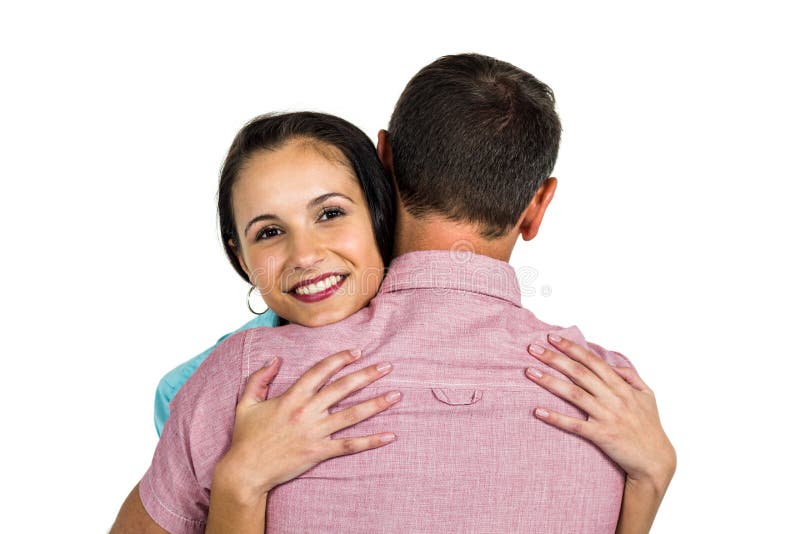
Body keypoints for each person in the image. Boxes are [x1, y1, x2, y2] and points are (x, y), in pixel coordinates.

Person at [112, 53, 675, 533]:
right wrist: (649, 480)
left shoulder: (244, 381)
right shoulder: (615, 398)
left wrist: (237, 483)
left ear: (382, 165)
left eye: (329, 214)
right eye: (270, 231)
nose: (307, 256)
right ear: (538, 206)